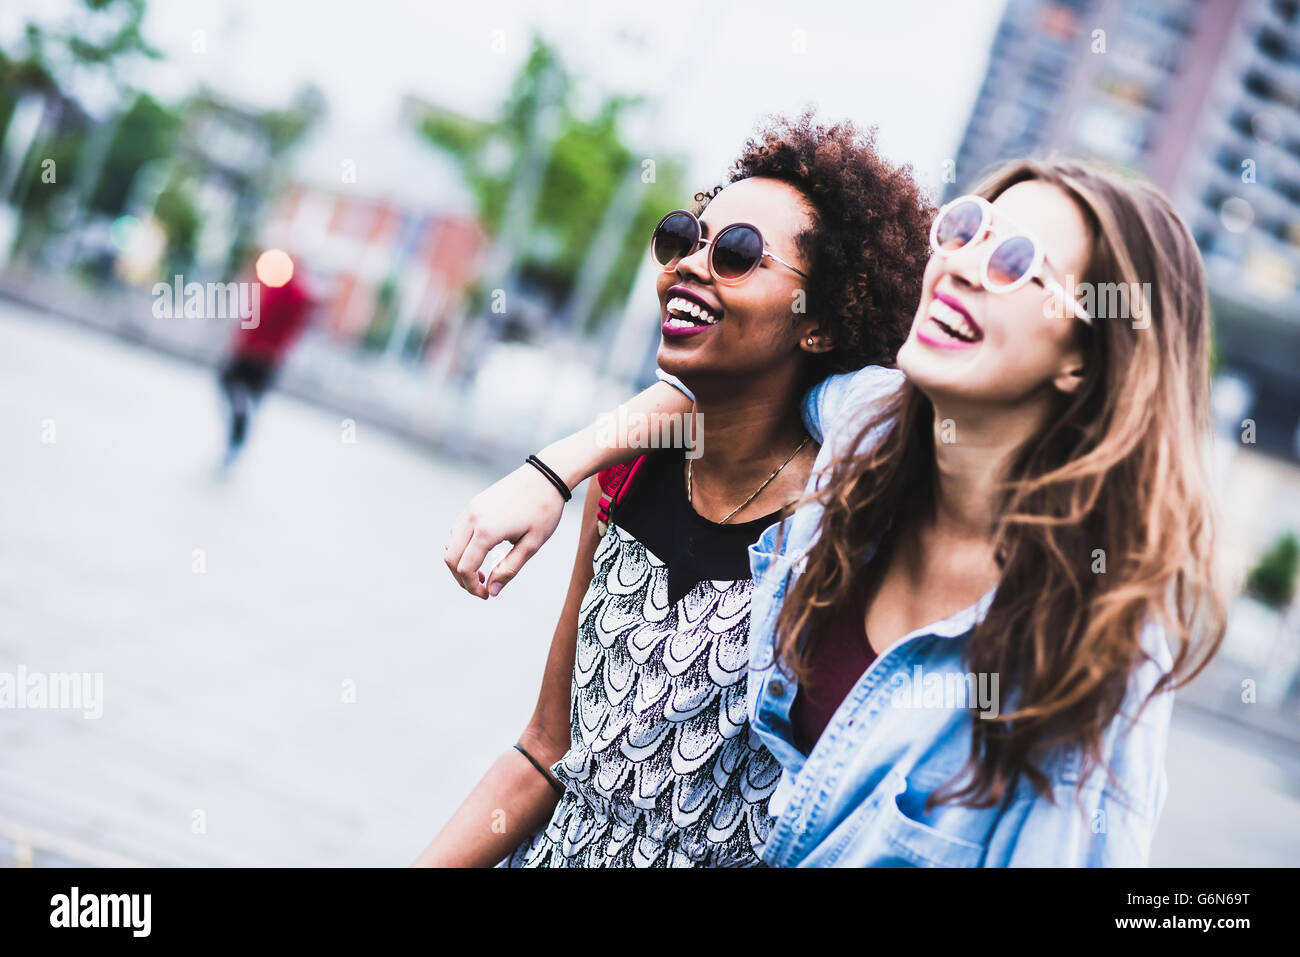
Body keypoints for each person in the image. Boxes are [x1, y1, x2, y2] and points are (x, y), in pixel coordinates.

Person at [444, 157, 1227, 866]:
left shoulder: (1091, 656)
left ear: (1086, 353)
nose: (962, 265)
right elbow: (712, 387)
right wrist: (558, 469)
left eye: (1016, 262)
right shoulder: (866, 422)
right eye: (964, 230)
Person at [414, 111, 932, 867]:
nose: (689, 263)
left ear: (819, 322)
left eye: (738, 254)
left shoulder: (842, 527)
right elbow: (547, 751)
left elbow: (922, 413)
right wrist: (565, 464)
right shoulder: (624, 474)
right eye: (684, 237)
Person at [217, 256, 315, 469]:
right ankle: (240, 424)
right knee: (246, 396)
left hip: (254, 352)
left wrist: (241, 340)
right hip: (270, 358)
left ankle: (238, 426)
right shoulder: (299, 294)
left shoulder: (279, 289)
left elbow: (257, 317)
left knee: (230, 386)